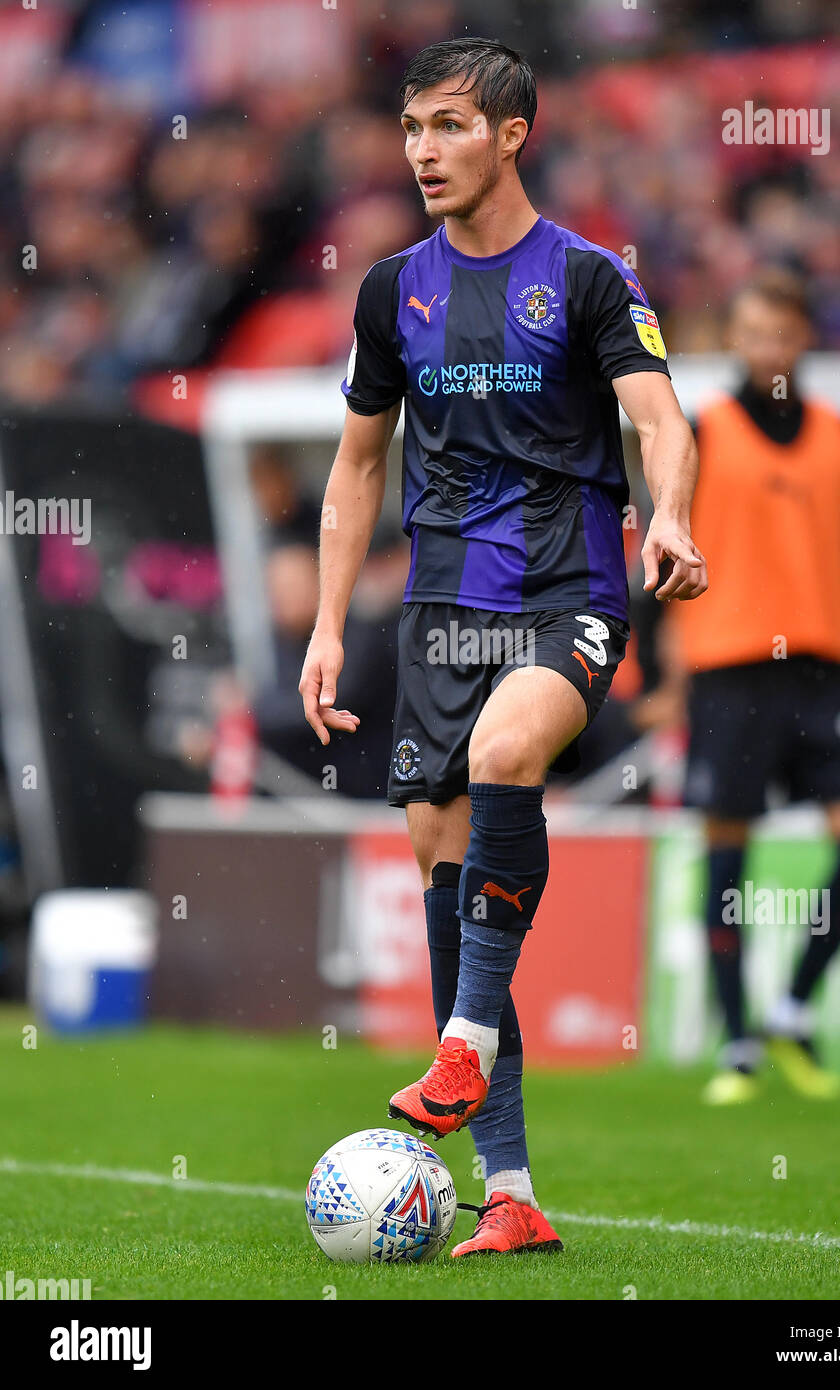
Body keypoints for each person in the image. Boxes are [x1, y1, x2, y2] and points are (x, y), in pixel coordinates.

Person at [298, 37, 707, 1256]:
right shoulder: (391, 292)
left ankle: (461, 1051)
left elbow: (660, 418)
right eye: (413, 126)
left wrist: (671, 512)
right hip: (436, 611)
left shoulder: (587, 278)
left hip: (565, 584)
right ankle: (513, 1192)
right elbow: (356, 464)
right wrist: (327, 626)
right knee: (447, 881)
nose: (423, 149)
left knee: (509, 746)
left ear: (513, 133)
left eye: (450, 126)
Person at [667, 268, 840, 1106]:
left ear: (803, 340)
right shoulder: (705, 429)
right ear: (733, 338)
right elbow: (667, 545)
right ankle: (737, 1041)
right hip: (727, 669)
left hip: (823, 672)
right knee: (729, 855)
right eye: (752, 332)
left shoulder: (838, 433)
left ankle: (792, 1008)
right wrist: (658, 665)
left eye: (782, 333)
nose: (768, 348)